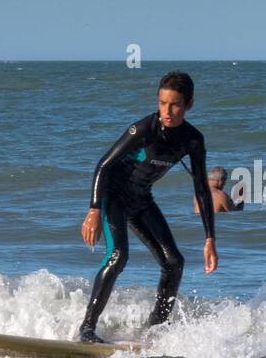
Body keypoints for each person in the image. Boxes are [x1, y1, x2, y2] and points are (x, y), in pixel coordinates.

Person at [77, 71, 218, 343]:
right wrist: (94, 209)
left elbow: (201, 189)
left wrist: (210, 238)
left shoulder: (193, 140)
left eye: (175, 104)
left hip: (141, 199)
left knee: (174, 263)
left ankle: (156, 331)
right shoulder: (143, 129)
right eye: (162, 103)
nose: (167, 110)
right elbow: (104, 166)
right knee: (118, 256)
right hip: (114, 196)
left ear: (189, 104)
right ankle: (87, 329)